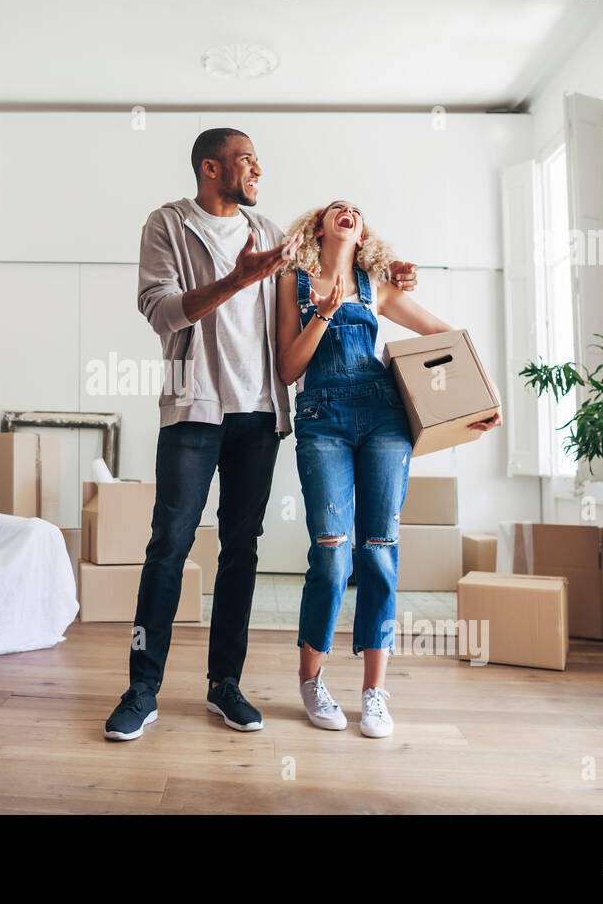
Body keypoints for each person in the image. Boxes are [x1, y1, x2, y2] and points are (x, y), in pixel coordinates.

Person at [103, 134, 418, 740]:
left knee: (240, 548)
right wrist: (236, 279)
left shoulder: (273, 230)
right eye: (246, 159)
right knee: (168, 544)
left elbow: (340, 282)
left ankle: (225, 684)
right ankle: (142, 690)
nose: (258, 168)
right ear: (211, 167)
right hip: (193, 410)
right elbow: (160, 312)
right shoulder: (167, 224)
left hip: (258, 415)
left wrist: (392, 273)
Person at [273, 201, 501, 738]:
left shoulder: (379, 287)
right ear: (318, 226)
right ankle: (311, 680)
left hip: (384, 419)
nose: (347, 212)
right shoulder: (293, 283)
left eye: (355, 209)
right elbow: (286, 369)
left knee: (378, 551)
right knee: (330, 553)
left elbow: (445, 341)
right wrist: (325, 312)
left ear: (363, 230)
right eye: (336, 208)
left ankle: (375, 693)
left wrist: (478, 401)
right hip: (321, 419)